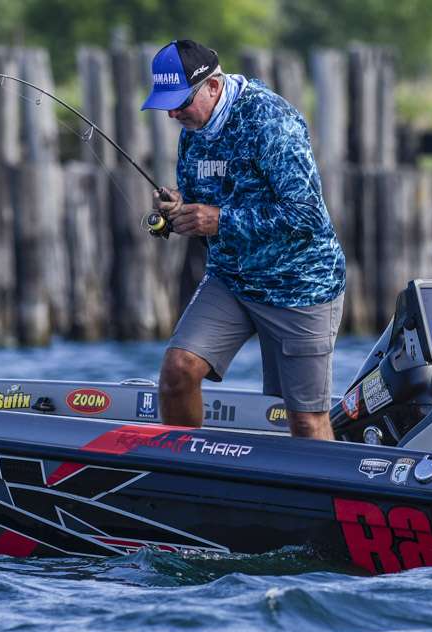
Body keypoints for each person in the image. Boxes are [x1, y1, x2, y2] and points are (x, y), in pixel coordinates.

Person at [141, 40, 346, 439]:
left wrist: (218, 220)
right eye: (166, 103)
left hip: (299, 286)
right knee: (178, 371)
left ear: (214, 87)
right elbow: (207, 201)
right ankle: (188, 479)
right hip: (232, 279)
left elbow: (305, 215)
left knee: (302, 420)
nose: (172, 112)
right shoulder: (194, 129)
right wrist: (180, 208)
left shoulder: (272, 121)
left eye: (181, 101)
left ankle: (320, 498)